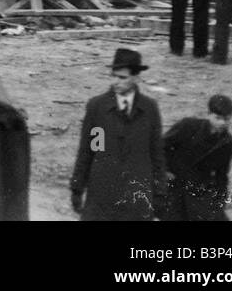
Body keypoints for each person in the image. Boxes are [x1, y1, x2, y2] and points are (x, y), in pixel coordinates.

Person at [69, 48, 167, 221]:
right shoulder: (97, 108)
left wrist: (160, 192)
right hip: (102, 195)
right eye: (113, 76)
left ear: (136, 78)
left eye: (122, 77)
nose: (116, 82)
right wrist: (77, 187)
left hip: (136, 197)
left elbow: (156, 154)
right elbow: (89, 150)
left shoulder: (150, 109)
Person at [162, 94, 232, 221]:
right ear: (208, 114)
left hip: (198, 189)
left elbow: (221, 175)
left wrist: (220, 200)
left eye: (226, 119)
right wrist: (164, 170)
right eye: (217, 118)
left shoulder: (228, 142)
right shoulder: (188, 126)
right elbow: (160, 146)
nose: (222, 123)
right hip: (173, 183)